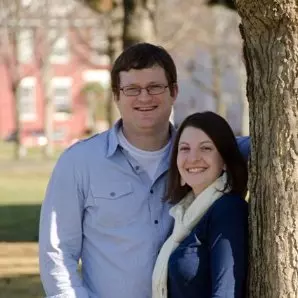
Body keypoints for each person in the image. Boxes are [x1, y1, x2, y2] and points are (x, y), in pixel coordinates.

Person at [39, 43, 249, 298]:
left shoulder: (194, 156)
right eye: (132, 89)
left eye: (155, 87)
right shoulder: (79, 162)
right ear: (116, 96)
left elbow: (254, 147)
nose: (144, 97)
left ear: (174, 91)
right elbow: (58, 254)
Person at [152, 111, 248, 298]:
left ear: (225, 161)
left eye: (206, 148)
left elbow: (226, 293)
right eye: (185, 148)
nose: (193, 158)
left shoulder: (228, 210)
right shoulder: (183, 216)